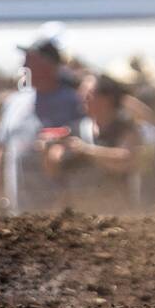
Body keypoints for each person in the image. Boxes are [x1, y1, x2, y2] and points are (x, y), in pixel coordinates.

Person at [0, 27, 82, 215]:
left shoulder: (73, 102)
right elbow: (0, 153)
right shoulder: (14, 102)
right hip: (17, 211)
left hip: (58, 211)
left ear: (50, 65)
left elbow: (78, 149)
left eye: (31, 60)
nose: (25, 65)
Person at [39, 73, 143, 208]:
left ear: (107, 98)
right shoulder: (76, 129)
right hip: (79, 210)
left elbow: (125, 159)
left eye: (88, 93)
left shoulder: (124, 128)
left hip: (116, 210)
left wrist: (86, 149)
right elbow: (54, 170)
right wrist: (49, 151)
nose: (82, 98)